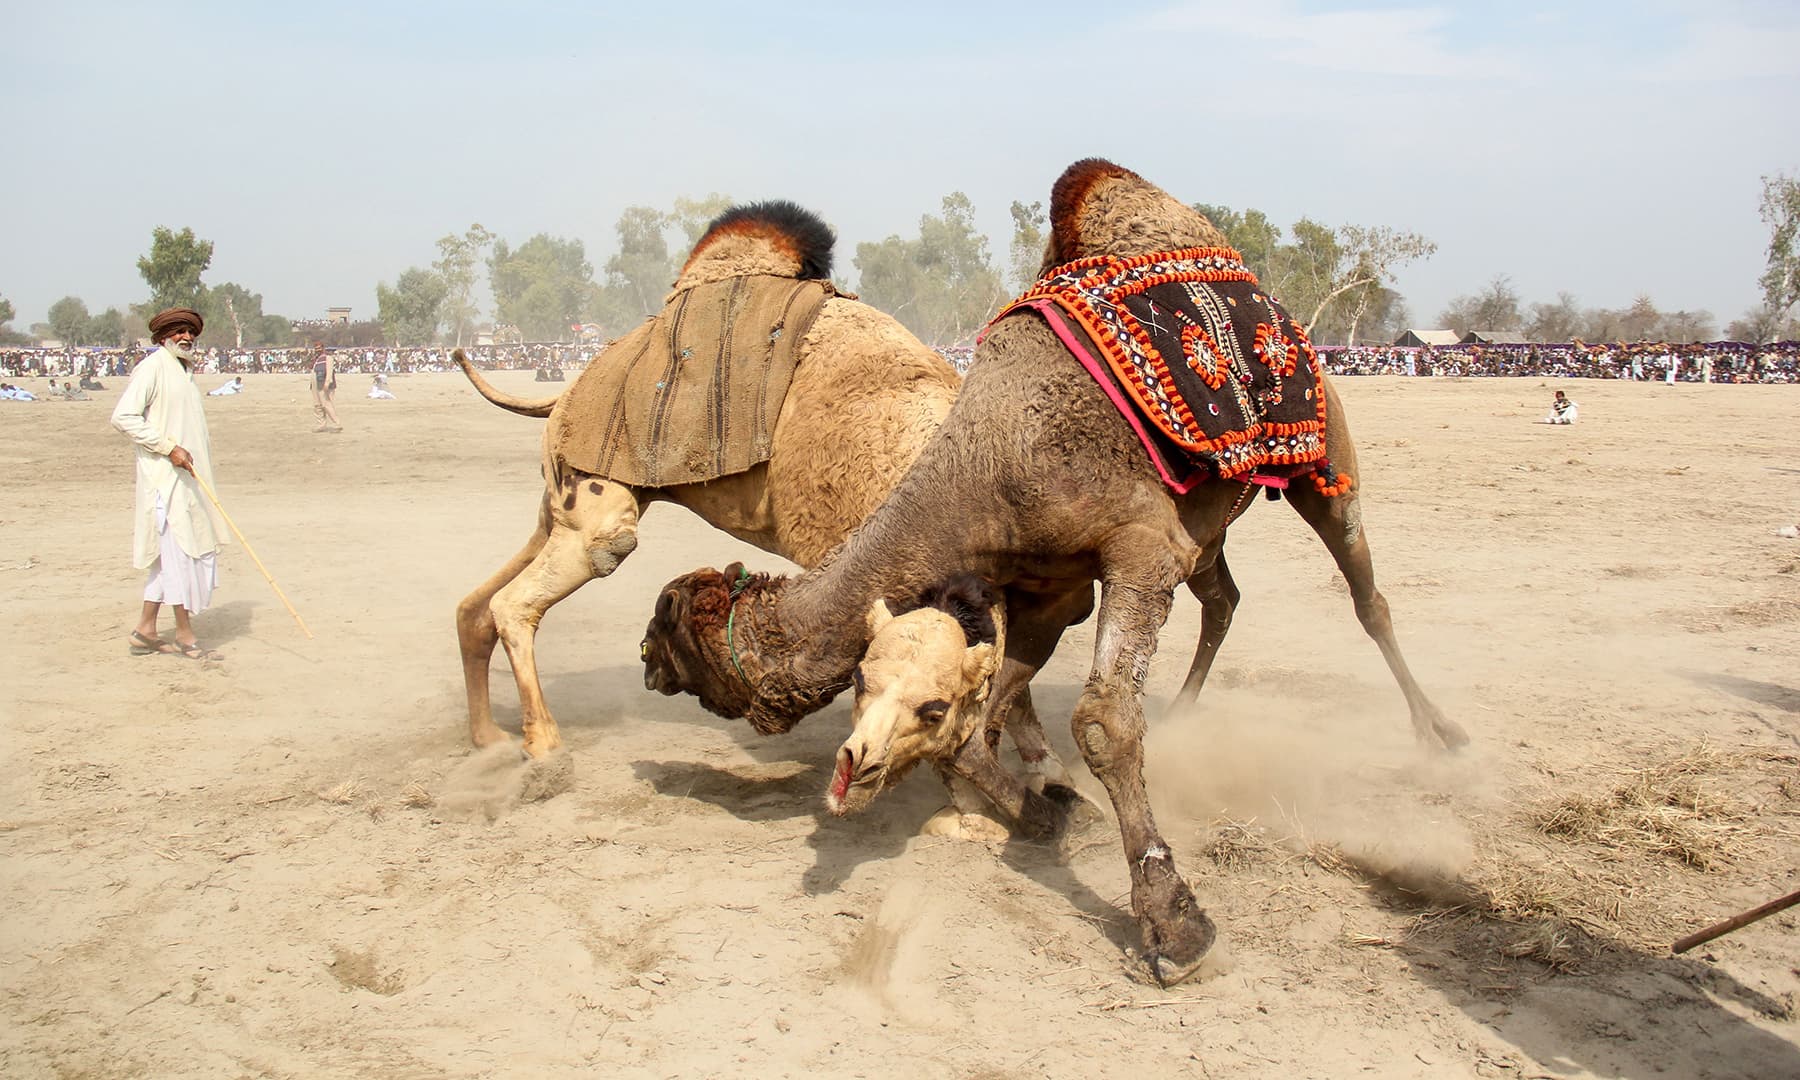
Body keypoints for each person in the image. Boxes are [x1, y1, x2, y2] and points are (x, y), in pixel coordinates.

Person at [110, 307, 227, 661]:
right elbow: (122, 417)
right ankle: (184, 633)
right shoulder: (153, 367)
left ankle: (145, 630)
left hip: (190, 481)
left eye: (190, 332)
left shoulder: (185, 372)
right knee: (179, 559)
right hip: (165, 483)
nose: (186, 337)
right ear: (163, 337)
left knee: (167, 562)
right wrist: (168, 447)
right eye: (178, 331)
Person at [309, 342, 342, 432]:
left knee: (326, 404)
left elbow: (329, 371)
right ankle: (321, 424)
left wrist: (327, 382)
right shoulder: (316, 359)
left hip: (323, 383)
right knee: (317, 405)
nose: (317, 350)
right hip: (315, 383)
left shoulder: (328, 358)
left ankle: (337, 423)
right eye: (316, 348)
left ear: (323, 348)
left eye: (319, 348)